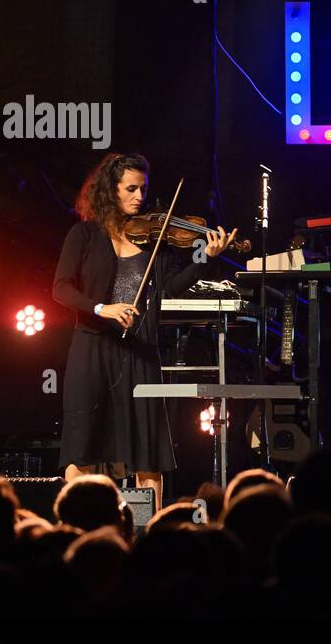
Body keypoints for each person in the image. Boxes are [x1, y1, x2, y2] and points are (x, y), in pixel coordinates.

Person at [53, 152, 236, 508]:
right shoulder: (85, 234)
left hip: (139, 351)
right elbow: (61, 288)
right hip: (91, 348)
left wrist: (206, 258)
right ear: (111, 191)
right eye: (131, 189)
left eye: (143, 189)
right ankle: (80, 526)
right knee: (82, 444)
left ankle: (149, 533)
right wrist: (101, 308)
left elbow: (170, 288)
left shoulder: (156, 240)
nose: (139, 196)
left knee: (146, 448)